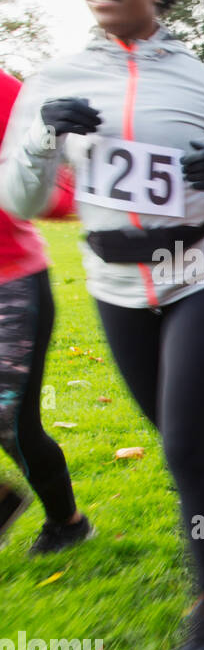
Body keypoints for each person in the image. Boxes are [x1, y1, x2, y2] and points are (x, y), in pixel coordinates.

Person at [0, 0, 204, 650]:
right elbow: (19, 199)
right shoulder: (50, 82)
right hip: (113, 283)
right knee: (175, 440)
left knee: (183, 451)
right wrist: (44, 139)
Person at [0, 67, 93, 556]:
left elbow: (57, 191)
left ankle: (67, 522)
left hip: (10, 282)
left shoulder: (7, 93)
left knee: (10, 420)